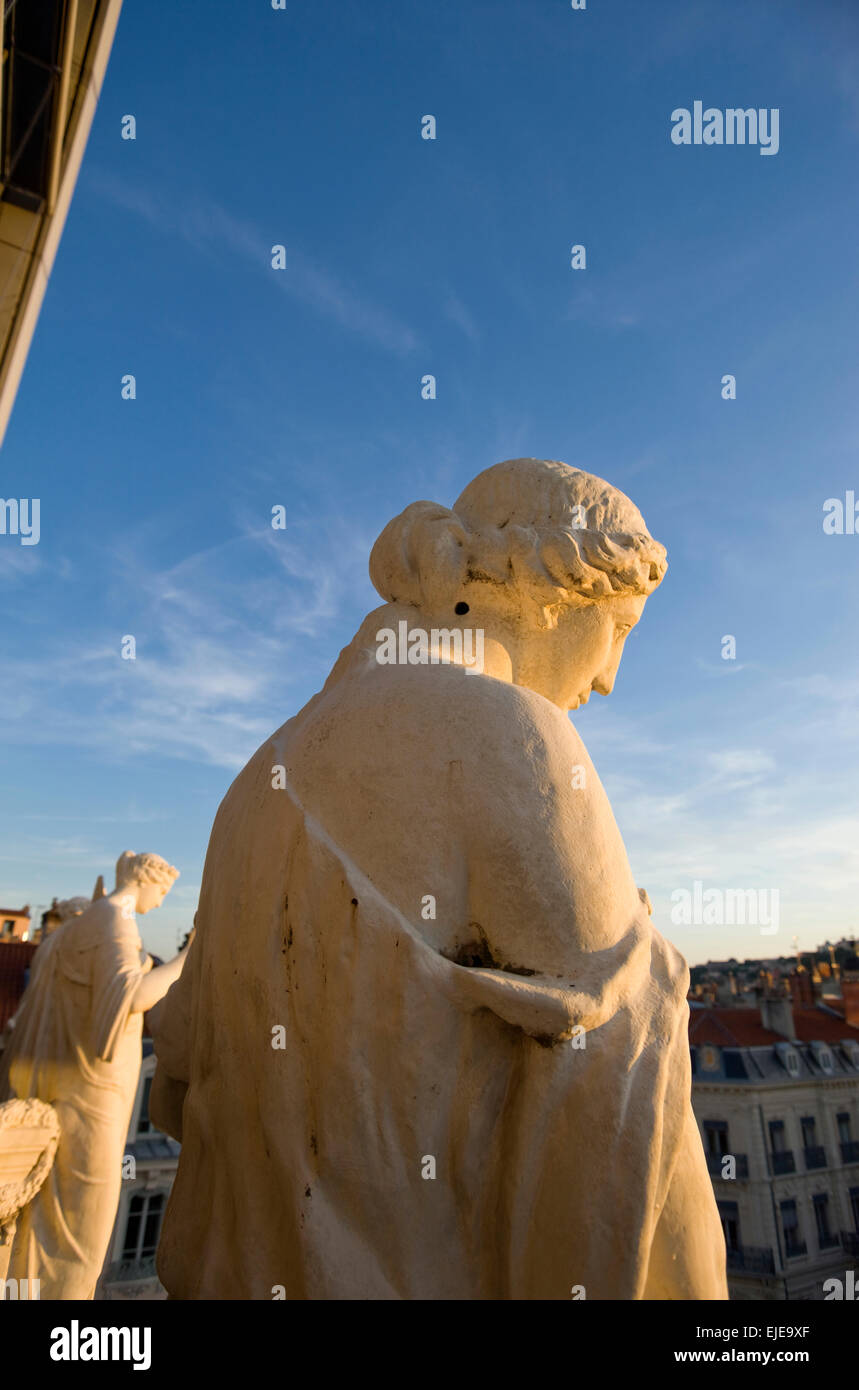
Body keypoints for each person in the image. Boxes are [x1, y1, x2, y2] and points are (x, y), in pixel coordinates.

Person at [151, 457, 727, 1299]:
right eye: (621, 630)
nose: (607, 679)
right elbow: (615, 1131)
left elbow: (180, 1078)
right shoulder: (512, 738)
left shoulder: (260, 773)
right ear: (547, 592)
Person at [0, 850, 191, 1298]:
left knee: (51, 1219)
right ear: (144, 881)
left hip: (70, 1086)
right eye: (162, 892)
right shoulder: (115, 922)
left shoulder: (80, 927)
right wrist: (188, 957)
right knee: (82, 1236)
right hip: (91, 1096)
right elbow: (132, 997)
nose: (162, 904)